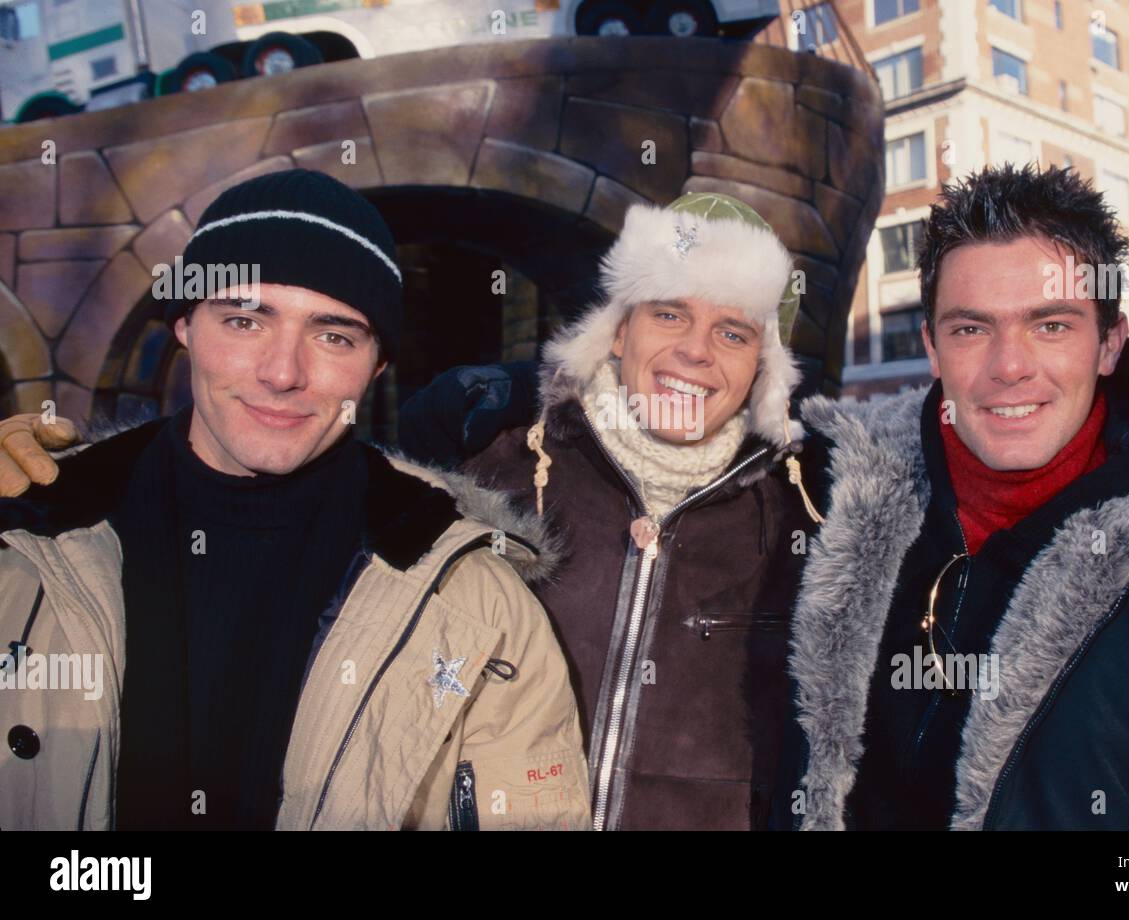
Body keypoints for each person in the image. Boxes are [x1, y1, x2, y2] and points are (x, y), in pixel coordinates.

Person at [0, 169, 589, 830]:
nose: (283, 373)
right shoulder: (24, 541)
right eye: (245, 320)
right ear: (186, 326)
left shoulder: (478, 607)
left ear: (376, 366)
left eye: (334, 336)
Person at [782, 163, 1129, 830]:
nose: (1009, 366)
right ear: (933, 348)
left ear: (1109, 343)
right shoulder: (818, 498)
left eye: (1050, 325)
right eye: (971, 329)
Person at [400, 192, 824, 830]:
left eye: (732, 331)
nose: (696, 351)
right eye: (670, 314)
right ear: (620, 330)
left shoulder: (809, 524)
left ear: (763, 368)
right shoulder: (498, 464)